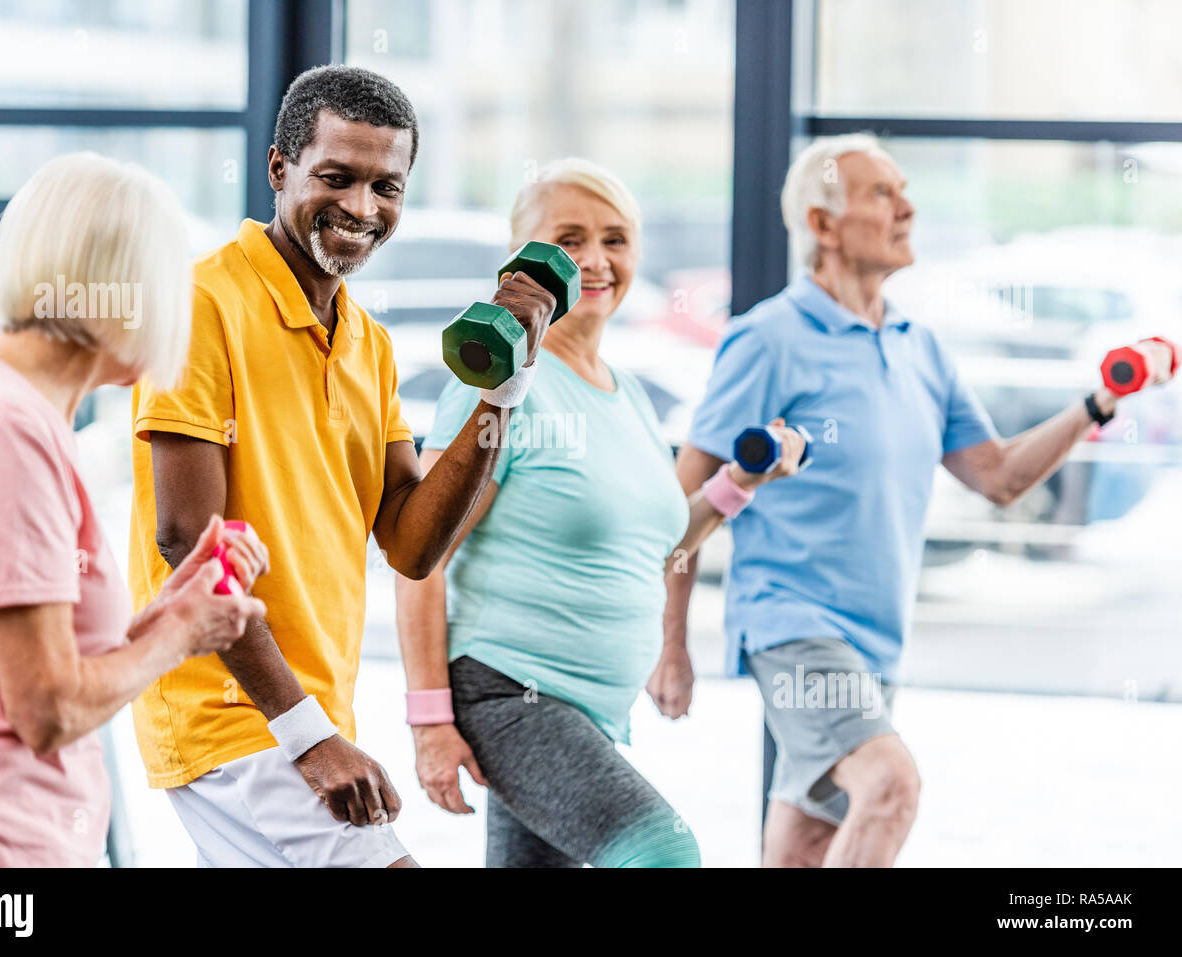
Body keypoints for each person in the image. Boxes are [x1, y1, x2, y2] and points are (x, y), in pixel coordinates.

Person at [653, 133, 1174, 868]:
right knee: (891, 784)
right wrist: (671, 644)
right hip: (793, 624)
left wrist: (1096, 401)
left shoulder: (920, 347)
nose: (909, 207)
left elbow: (997, 477)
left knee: (806, 846)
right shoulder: (765, 340)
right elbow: (680, 509)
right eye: (882, 194)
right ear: (823, 225)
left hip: (877, 638)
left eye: (904, 191)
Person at [127, 65, 558, 868]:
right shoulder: (200, 305)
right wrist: (305, 735)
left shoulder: (370, 343)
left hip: (307, 710)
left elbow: (412, 542)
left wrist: (502, 391)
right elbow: (188, 538)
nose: (362, 208)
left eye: (385, 187)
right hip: (235, 710)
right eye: (337, 177)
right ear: (279, 168)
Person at [395, 158, 807, 867]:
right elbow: (419, 556)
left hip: (588, 710)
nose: (594, 259)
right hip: (510, 691)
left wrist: (742, 480)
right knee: (661, 852)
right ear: (520, 259)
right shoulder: (499, 384)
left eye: (614, 239)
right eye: (568, 239)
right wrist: (430, 719)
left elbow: (660, 543)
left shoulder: (628, 394)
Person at [0, 153, 268, 867]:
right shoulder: (4, 427)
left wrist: (169, 613)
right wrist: (181, 634)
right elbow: (49, 707)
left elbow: (40, 661)